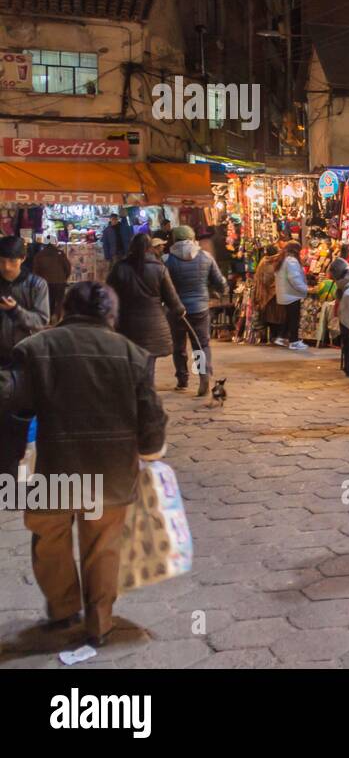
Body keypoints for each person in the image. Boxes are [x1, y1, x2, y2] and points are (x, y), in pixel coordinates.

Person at [0, 281, 167, 647]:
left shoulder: (35, 349)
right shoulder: (133, 354)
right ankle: (99, 623)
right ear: (109, 314)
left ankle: (62, 610)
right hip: (110, 472)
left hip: (54, 468)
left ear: (64, 308)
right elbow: (151, 416)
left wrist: (9, 467)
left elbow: (13, 408)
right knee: (103, 545)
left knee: (49, 539)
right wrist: (151, 450)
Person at [0, 236, 50, 481]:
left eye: (11, 261)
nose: (6, 266)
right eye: (2, 261)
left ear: (22, 259)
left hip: (25, 362)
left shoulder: (36, 284)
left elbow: (41, 321)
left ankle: (23, 470)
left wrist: (15, 311)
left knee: (24, 417)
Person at [108, 232, 185, 384]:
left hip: (127, 323)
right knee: (149, 363)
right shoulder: (159, 269)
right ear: (149, 248)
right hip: (153, 325)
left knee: (130, 361)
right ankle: (146, 394)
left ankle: (133, 393)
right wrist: (180, 310)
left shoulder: (120, 268)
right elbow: (171, 298)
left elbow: (108, 294)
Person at [164, 225, 227, 396]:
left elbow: (162, 286)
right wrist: (221, 291)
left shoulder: (167, 260)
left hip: (176, 310)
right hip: (200, 308)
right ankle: (203, 374)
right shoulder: (205, 257)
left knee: (179, 346)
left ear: (175, 240)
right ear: (192, 239)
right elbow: (219, 281)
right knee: (201, 344)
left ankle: (182, 380)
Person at [273, 241, 315, 350]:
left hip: (286, 294)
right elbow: (295, 279)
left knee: (289, 317)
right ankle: (294, 341)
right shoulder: (291, 261)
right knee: (293, 318)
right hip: (291, 294)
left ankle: (282, 337)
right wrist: (306, 289)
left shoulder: (283, 260)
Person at [30, 239, 71, 323]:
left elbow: (35, 271)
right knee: (59, 301)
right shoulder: (60, 254)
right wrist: (64, 278)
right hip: (60, 282)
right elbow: (67, 267)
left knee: (48, 301)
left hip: (45, 282)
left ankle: (48, 318)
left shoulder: (39, 255)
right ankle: (57, 317)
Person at [250, 244, 280, 344]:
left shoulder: (263, 262)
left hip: (263, 294)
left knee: (265, 316)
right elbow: (269, 278)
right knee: (274, 317)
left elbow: (259, 278)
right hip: (274, 294)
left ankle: (264, 338)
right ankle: (273, 337)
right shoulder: (276, 262)